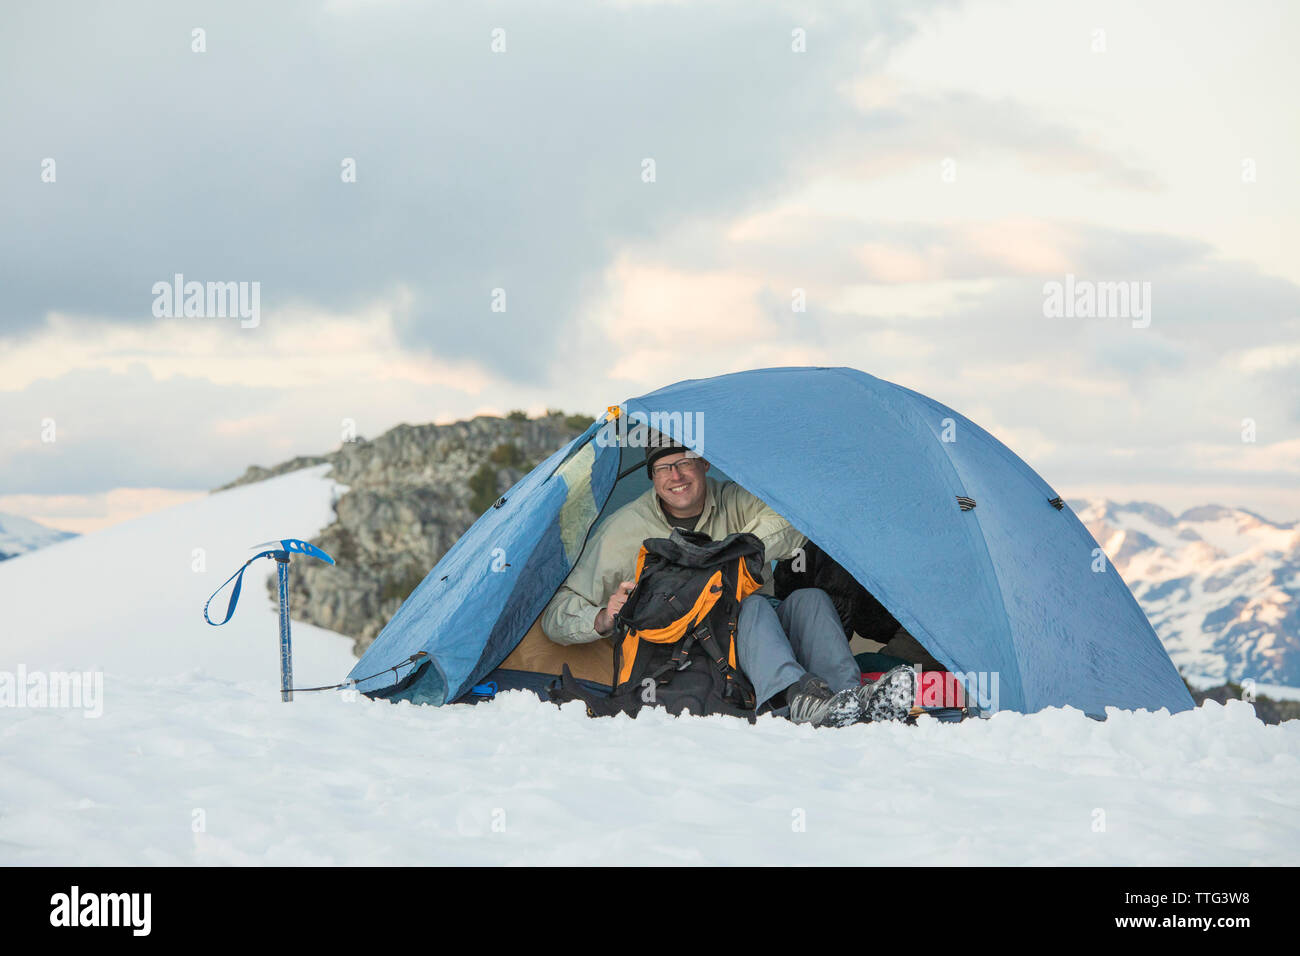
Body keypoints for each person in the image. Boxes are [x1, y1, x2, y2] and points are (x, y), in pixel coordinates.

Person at [540, 437, 915, 726]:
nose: (677, 476)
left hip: (755, 631)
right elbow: (556, 614)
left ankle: (850, 699)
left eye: (686, 462)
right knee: (749, 604)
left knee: (811, 599)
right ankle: (795, 698)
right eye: (665, 467)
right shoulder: (622, 531)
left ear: (704, 463)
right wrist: (603, 618)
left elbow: (792, 521)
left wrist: (734, 551)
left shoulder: (734, 501)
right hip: (690, 646)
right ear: (652, 476)